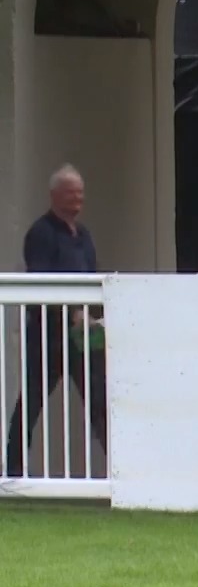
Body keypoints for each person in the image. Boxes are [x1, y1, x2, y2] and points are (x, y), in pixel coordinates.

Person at [5, 165, 107, 478]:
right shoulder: (41, 233)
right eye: (71, 192)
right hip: (48, 338)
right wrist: (72, 312)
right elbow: (41, 281)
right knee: (31, 402)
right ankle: (13, 469)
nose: (78, 198)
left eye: (80, 192)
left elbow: (94, 277)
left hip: (82, 339)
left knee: (100, 401)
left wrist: (93, 316)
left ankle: (121, 471)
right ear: (54, 195)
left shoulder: (84, 234)